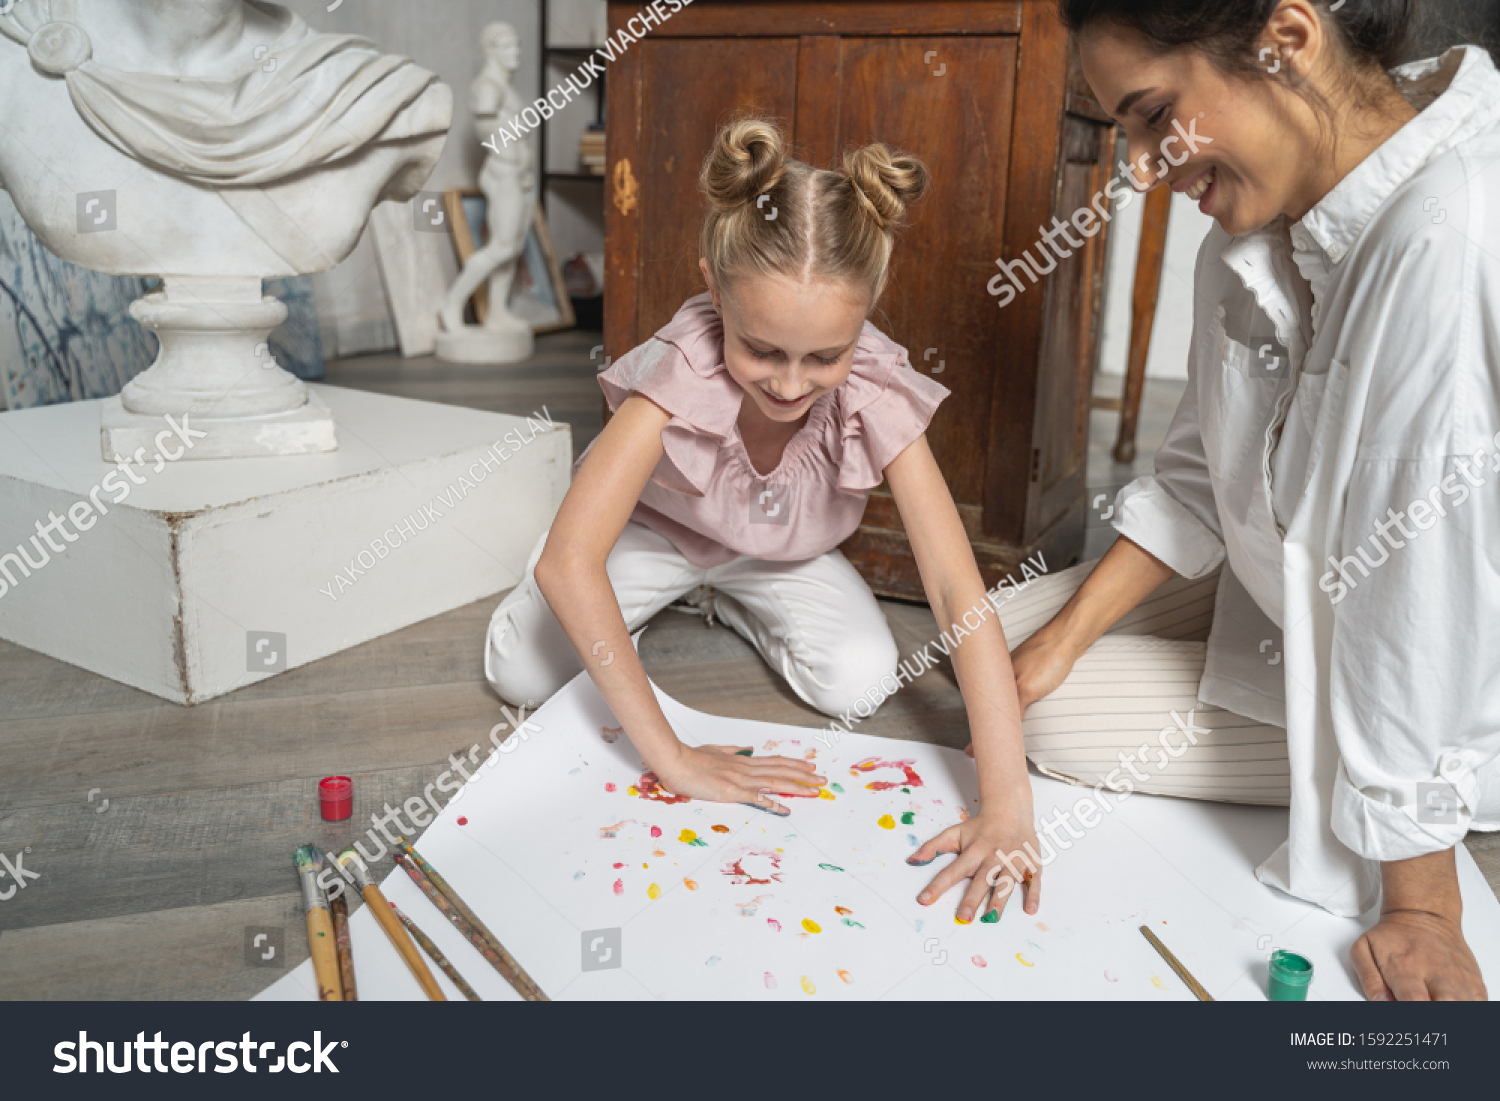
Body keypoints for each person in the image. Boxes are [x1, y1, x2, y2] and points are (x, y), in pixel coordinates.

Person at [1008, 0, 1498, 999]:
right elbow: (1199, 472)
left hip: (1432, 663)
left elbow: (1417, 596)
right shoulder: (1260, 220)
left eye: (1154, 116)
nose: (1144, 169)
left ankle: (1426, 803)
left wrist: (1420, 906)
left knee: (1048, 726)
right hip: (1295, 566)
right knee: (1002, 641)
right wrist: (1058, 643)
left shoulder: (1442, 236)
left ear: (1288, 39)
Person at [486, 118, 1042, 922]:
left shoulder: (877, 385)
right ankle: (657, 598)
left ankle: (727, 600)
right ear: (714, 291)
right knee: (521, 673)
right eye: (762, 350)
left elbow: (958, 588)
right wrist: (671, 755)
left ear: (866, 317)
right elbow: (571, 561)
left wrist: (1008, 799)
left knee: (860, 676)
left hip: (782, 554)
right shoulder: (683, 365)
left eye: (824, 356)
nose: (789, 383)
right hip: (657, 535)